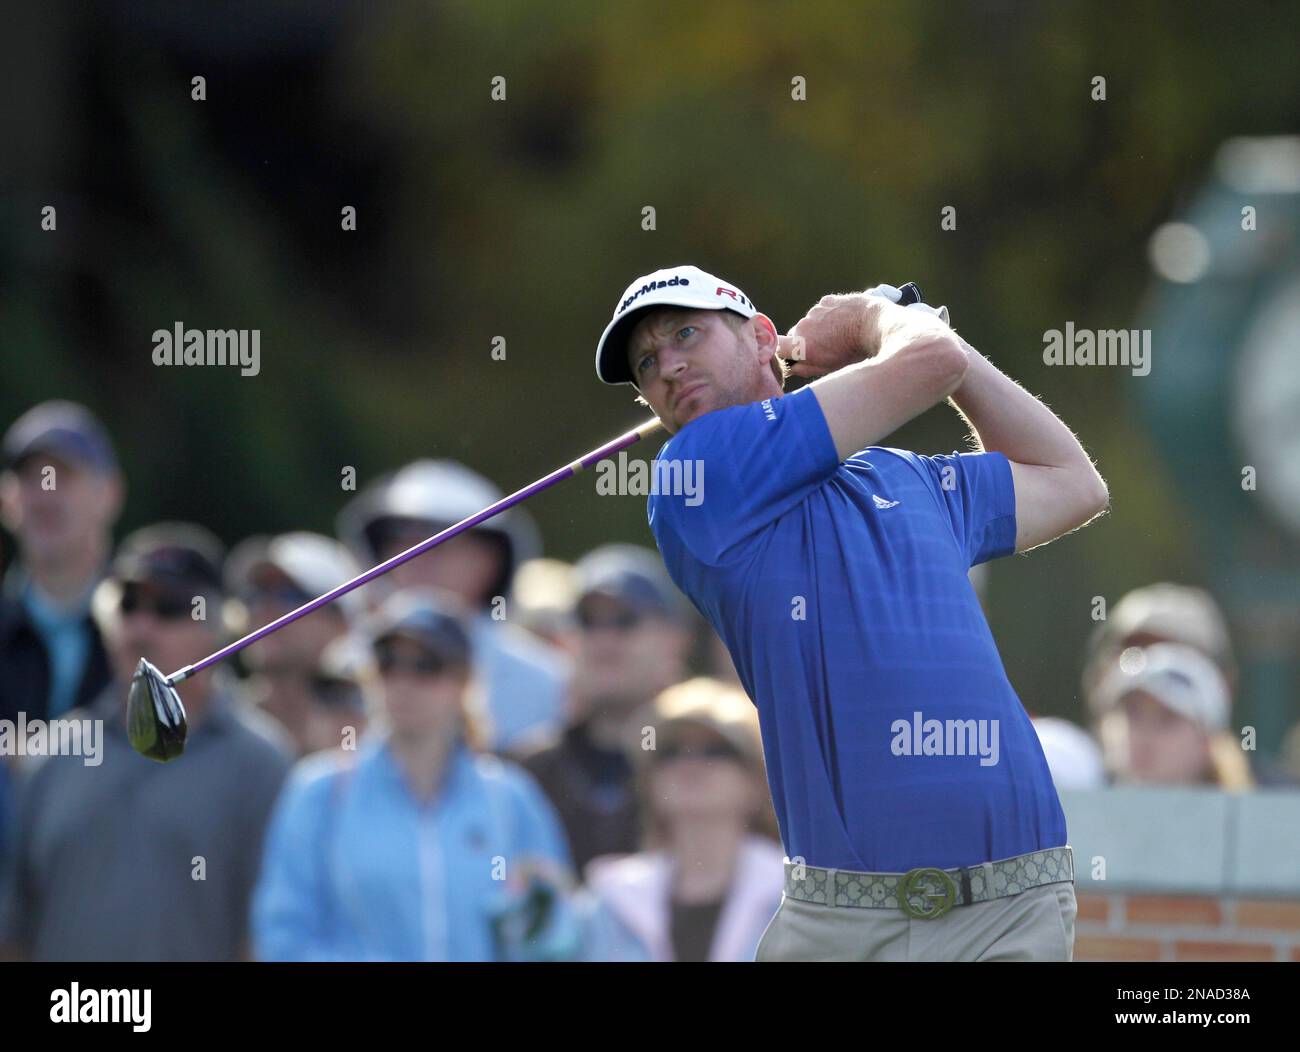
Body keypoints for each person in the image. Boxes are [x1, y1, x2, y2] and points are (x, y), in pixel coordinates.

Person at [594, 265, 1110, 961]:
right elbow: (931, 360)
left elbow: (1074, 482)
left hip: (1013, 905)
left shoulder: (904, 475)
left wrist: (941, 351)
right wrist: (874, 319)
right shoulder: (695, 474)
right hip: (850, 926)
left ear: (763, 340)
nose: (667, 366)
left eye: (686, 333)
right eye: (647, 363)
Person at [0, 524, 292, 961]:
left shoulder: (264, 764)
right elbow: (15, 933)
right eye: (129, 604)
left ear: (215, 628)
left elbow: (267, 938)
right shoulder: (53, 756)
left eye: (168, 608)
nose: (141, 626)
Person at [252, 588, 578, 961]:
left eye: (426, 665)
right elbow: (283, 939)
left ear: (463, 681)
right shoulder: (318, 791)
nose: (403, 682)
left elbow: (551, 936)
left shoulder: (512, 799)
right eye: (388, 663)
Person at [337, 459, 569, 752]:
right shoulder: (344, 664)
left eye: (437, 542)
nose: (415, 557)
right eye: (400, 540)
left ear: (488, 560)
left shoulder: (546, 681)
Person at [515, 544, 694, 876]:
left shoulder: (710, 761)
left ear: (675, 638)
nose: (605, 639)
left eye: (624, 620)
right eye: (588, 621)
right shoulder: (528, 772)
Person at [580, 677, 784, 961]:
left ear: (758, 781)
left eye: (715, 751)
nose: (690, 765)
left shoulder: (797, 897)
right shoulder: (608, 902)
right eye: (671, 753)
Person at [0, 401, 123, 725]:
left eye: (63, 475)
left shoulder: (148, 627)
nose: (45, 494)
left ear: (109, 493)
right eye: (29, 478)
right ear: (6, 501)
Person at [225, 532, 359, 755]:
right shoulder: (208, 721)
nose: (266, 609)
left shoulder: (373, 733)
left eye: (289, 595)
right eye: (255, 595)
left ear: (342, 622)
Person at [1090, 643, 1253, 789]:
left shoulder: (1248, 819)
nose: (1145, 733)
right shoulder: (1080, 812)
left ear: (1206, 740)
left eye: (1168, 718)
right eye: (1132, 713)